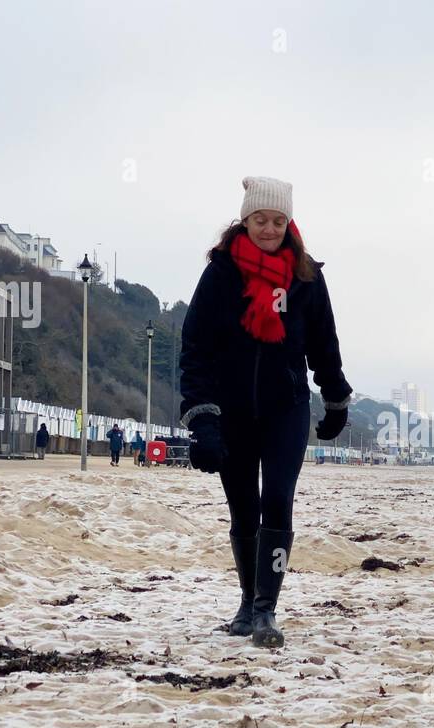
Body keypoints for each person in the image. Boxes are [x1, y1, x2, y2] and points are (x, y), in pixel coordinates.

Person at [180, 175, 352, 648]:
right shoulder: (220, 274)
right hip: (232, 411)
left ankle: (265, 610)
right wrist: (202, 419)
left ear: (288, 221)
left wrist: (335, 400)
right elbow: (196, 347)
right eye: (261, 219)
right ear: (246, 219)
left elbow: (324, 345)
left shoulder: (307, 277)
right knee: (243, 509)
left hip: (286, 408)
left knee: (277, 499)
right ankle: (245, 600)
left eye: (278, 220)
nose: (269, 229)